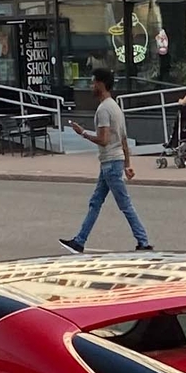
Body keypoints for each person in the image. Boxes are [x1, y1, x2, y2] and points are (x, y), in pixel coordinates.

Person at [61, 70, 152, 253]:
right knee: (96, 201)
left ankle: (143, 242)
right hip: (113, 162)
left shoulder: (103, 109)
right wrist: (127, 164)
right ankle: (79, 241)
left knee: (124, 205)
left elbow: (103, 139)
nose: (91, 86)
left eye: (93, 83)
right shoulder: (116, 107)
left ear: (102, 84)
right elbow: (124, 139)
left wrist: (83, 133)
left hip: (110, 162)